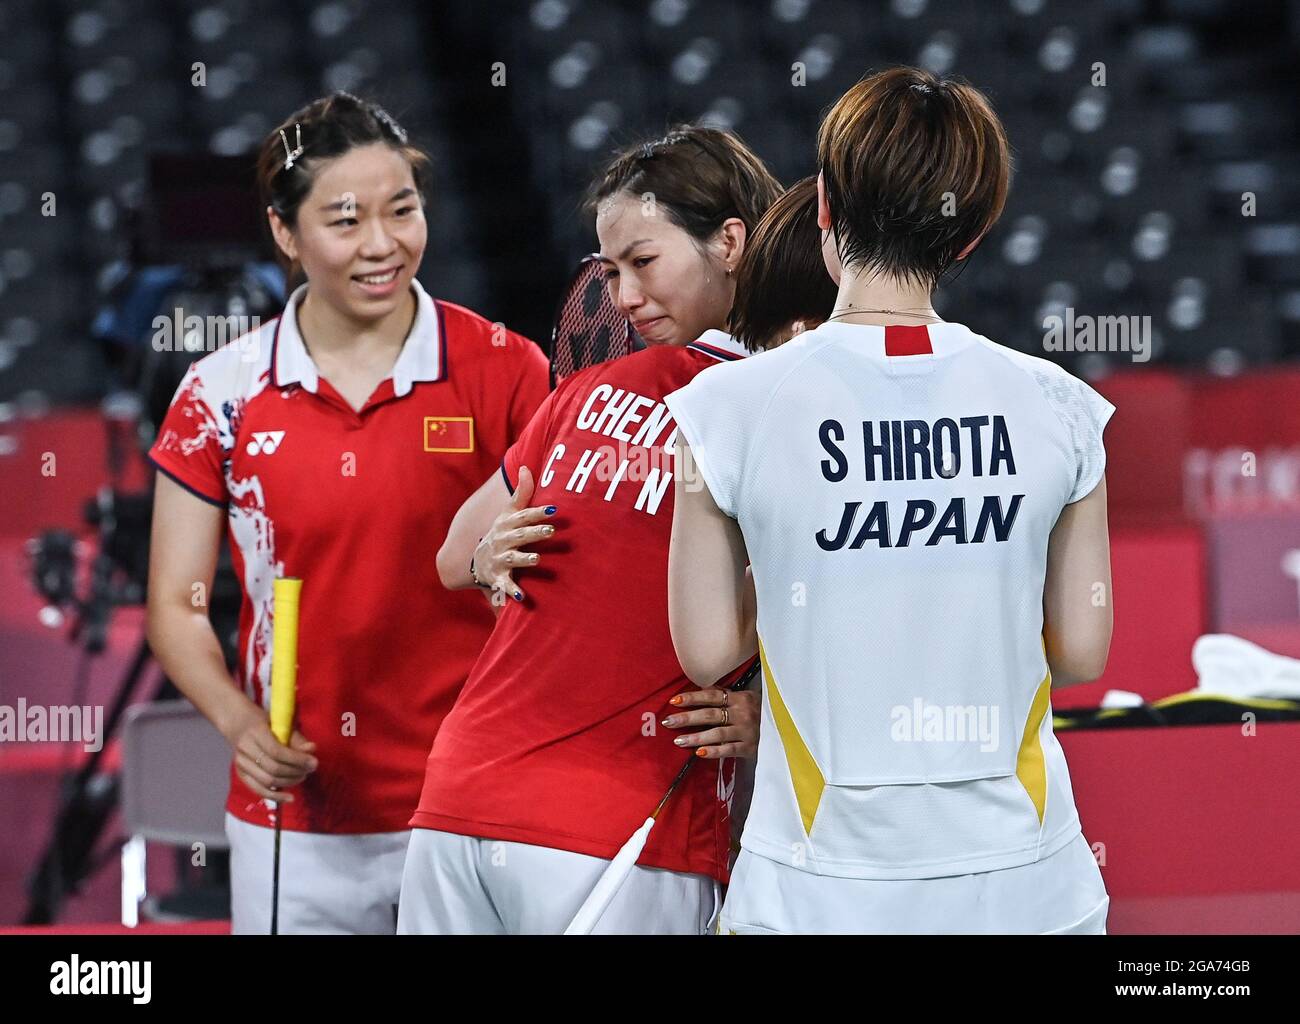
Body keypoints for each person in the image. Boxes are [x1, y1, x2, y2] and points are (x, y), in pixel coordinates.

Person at [663, 67, 1114, 935]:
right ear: (973, 234)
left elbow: (708, 647)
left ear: (825, 207)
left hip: (817, 887)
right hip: (1029, 885)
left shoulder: (723, 410)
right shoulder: (1062, 407)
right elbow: (1084, 651)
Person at [397, 143, 834, 935]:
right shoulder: (786, 417)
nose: (625, 296)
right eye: (608, 272)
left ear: (731, 244)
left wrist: (486, 560)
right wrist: (771, 712)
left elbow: (453, 553)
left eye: (641, 261)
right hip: (620, 829)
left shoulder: (588, 391)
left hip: (456, 807)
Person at [144, 92, 549, 934]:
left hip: (476, 805)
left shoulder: (508, 369)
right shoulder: (219, 394)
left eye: (403, 210)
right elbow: (175, 607)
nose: (381, 244)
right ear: (286, 235)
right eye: (344, 219)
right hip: (299, 824)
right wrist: (238, 723)